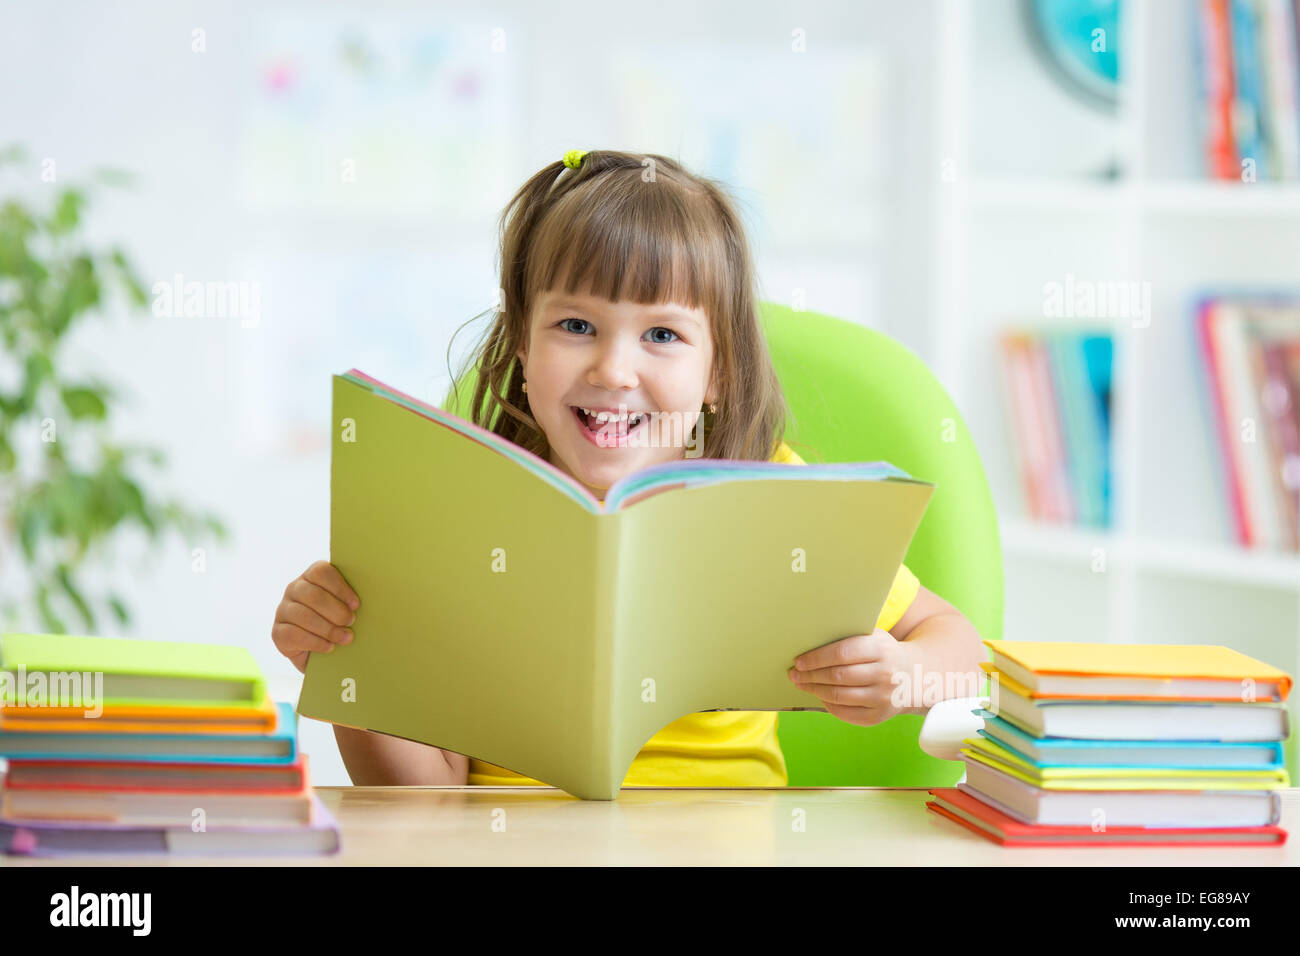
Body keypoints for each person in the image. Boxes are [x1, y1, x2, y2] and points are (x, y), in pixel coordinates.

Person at [271, 149, 985, 786]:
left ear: (719, 371)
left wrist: (907, 674)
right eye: (576, 326)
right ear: (523, 343)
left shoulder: (767, 492)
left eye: (663, 335)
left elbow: (960, 644)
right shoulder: (465, 507)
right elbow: (428, 799)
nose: (614, 370)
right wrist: (353, 673)